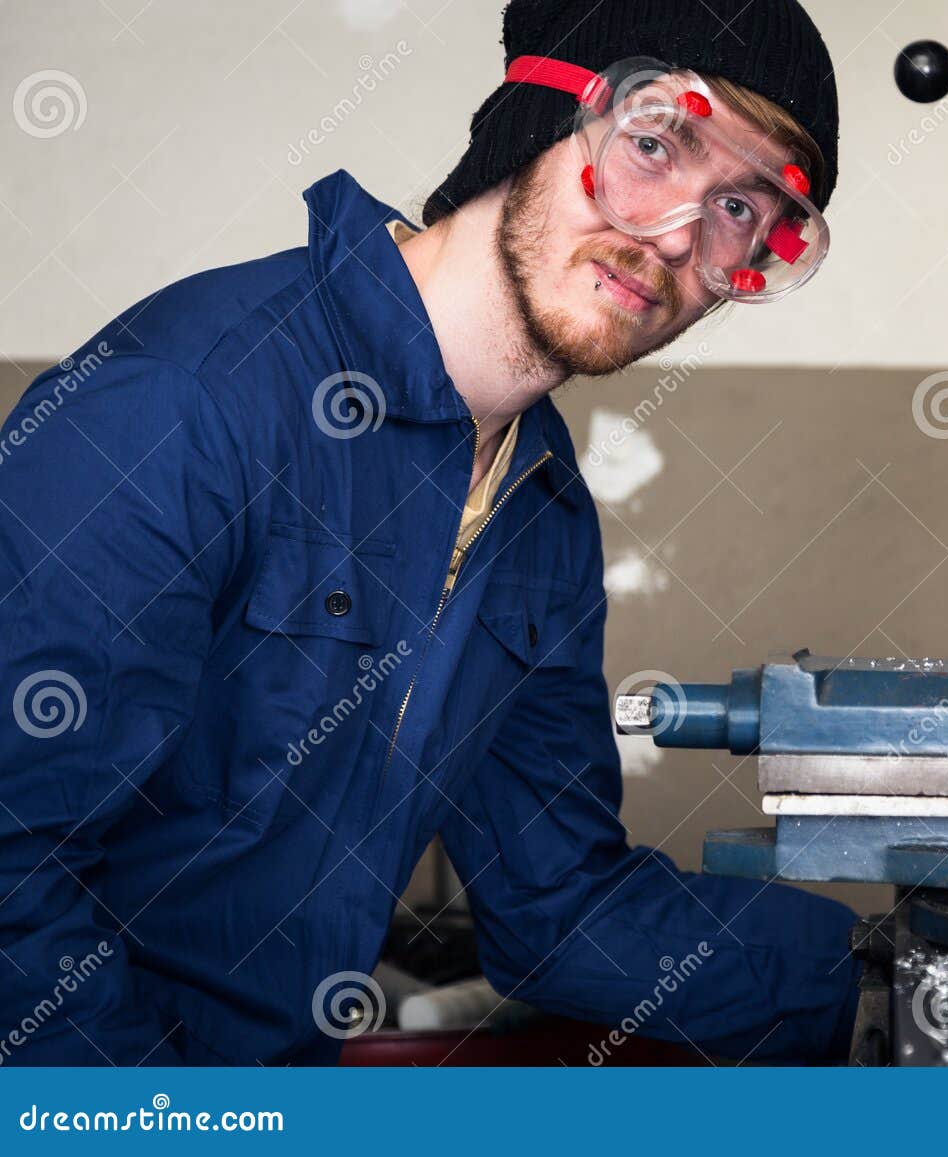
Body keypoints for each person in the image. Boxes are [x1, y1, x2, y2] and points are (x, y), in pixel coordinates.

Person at [0, 0, 857, 1065]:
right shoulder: (186, 406)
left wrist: (864, 971)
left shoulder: (540, 512)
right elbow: (10, 864)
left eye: (742, 207)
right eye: (653, 146)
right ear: (540, 117)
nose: (675, 236)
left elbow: (556, 902)